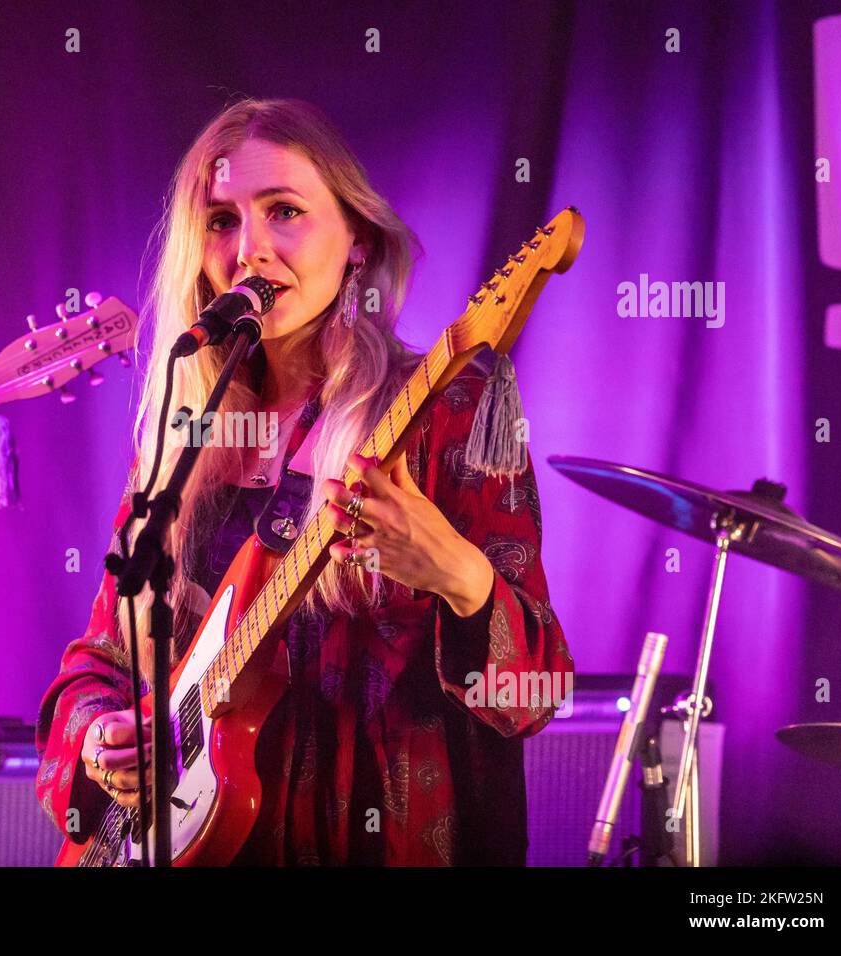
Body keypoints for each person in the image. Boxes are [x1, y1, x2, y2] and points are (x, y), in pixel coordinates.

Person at [35, 98, 572, 865]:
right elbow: (101, 658)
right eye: (221, 220)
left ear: (357, 240)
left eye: (283, 210)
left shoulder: (453, 404)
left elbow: (537, 692)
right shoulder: (187, 436)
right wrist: (100, 740)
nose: (250, 248)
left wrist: (459, 576)